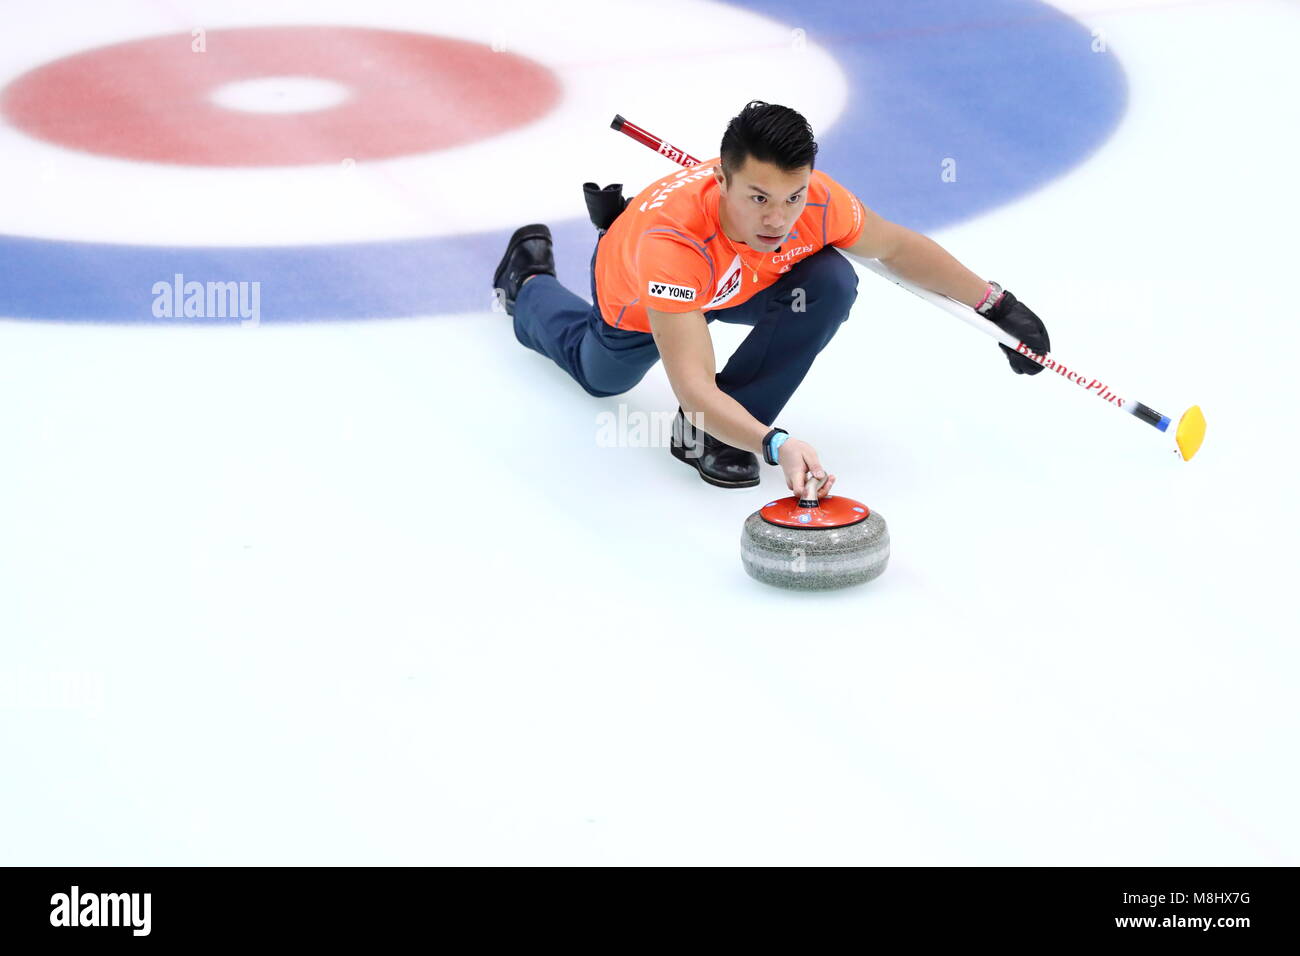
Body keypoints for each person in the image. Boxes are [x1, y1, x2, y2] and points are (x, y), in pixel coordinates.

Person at [493, 101, 1050, 497]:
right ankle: (529, 283)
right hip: (645, 296)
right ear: (722, 182)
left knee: (830, 280)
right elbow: (691, 390)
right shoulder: (672, 245)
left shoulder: (817, 203)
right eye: (759, 198)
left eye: (792, 197)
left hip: (740, 278)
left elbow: (899, 248)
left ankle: (717, 436)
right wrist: (775, 443)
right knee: (601, 377)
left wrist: (994, 304)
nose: (778, 219)